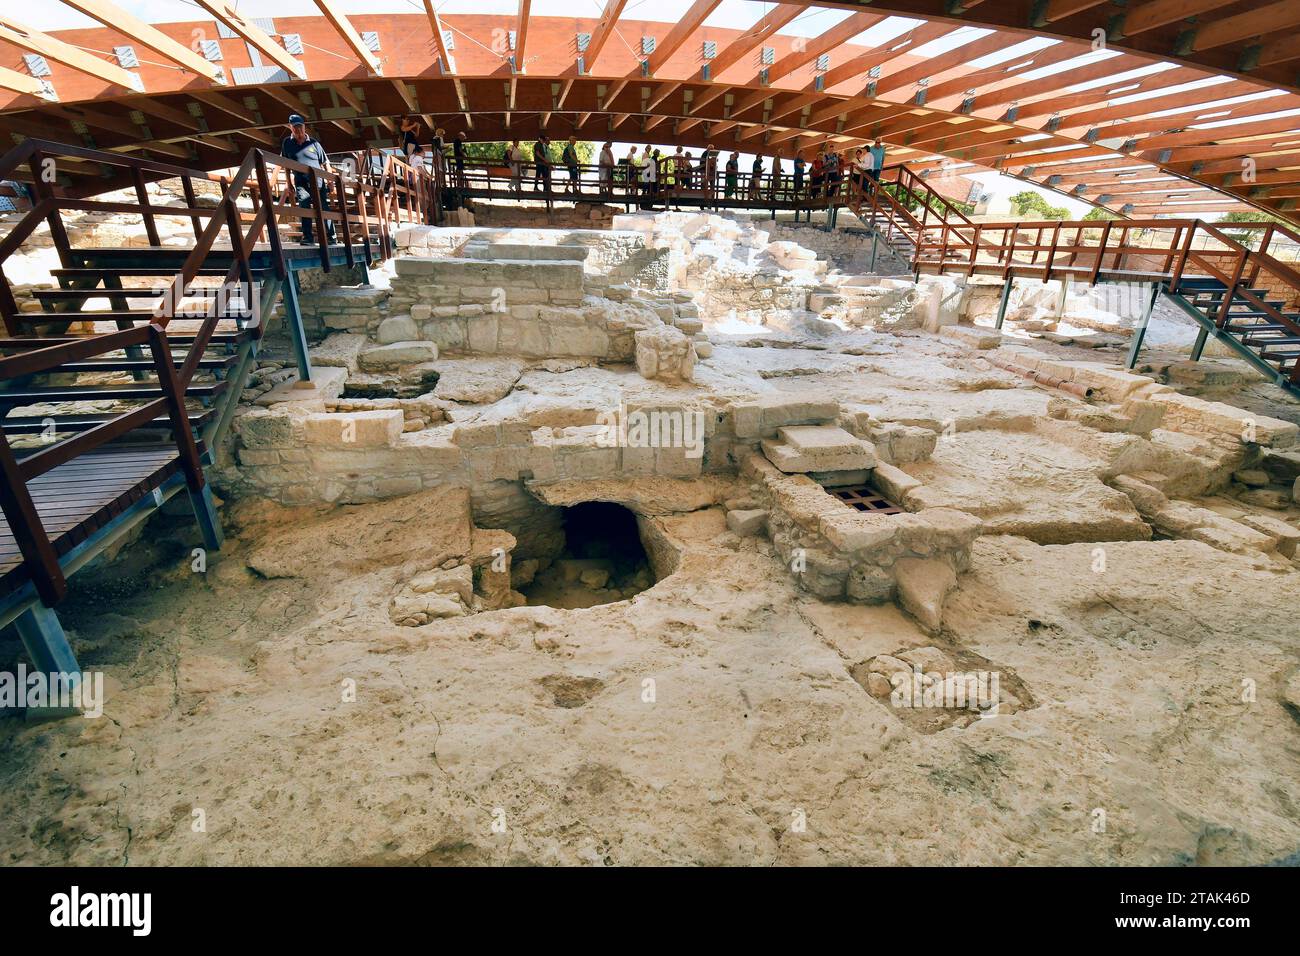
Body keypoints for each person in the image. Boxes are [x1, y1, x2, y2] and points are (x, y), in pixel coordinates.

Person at [280, 113, 333, 245]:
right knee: (304, 206)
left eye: (300, 127)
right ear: (290, 128)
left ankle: (331, 237)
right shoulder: (287, 143)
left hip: (318, 181)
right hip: (300, 181)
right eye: (295, 128)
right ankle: (308, 237)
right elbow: (286, 164)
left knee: (323, 207)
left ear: (304, 127)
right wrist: (288, 183)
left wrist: (330, 181)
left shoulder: (314, 143)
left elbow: (325, 163)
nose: (299, 130)